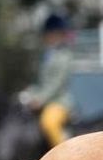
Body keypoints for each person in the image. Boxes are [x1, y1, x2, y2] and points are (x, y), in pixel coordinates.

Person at [20, 13, 75, 148]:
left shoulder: (65, 56)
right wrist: (30, 93)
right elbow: (41, 82)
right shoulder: (45, 55)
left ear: (59, 34)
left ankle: (66, 155)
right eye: (48, 34)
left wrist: (40, 99)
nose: (48, 37)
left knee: (49, 123)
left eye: (52, 34)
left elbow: (57, 84)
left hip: (59, 102)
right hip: (42, 101)